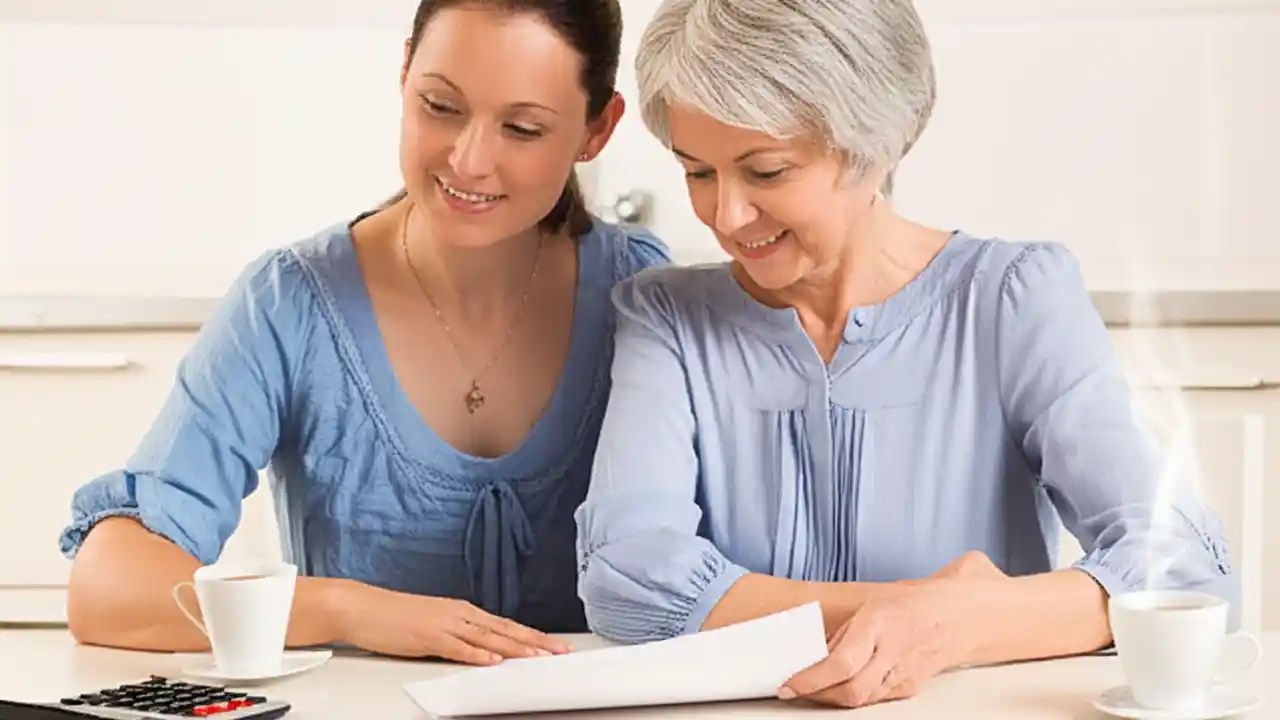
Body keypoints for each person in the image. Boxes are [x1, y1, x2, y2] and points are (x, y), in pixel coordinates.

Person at [575, 0, 1236, 707]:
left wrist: (958, 626)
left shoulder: (1011, 299)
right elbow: (628, 577)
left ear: (875, 147)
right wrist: (929, 613)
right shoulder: (667, 316)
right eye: (697, 172)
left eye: (765, 172)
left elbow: (1184, 573)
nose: (726, 216)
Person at [60, 0, 669, 667]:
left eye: (522, 128)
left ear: (597, 130)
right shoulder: (288, 304)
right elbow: (106, 590)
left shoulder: (641, 299)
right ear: (405, 71)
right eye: (441, 107)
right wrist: (349, 608)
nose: (468, 161)